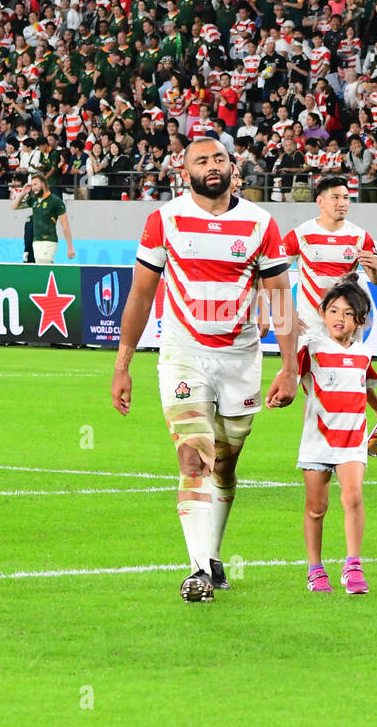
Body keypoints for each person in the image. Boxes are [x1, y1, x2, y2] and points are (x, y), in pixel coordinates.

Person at [110, 139, 298, 604]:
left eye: (219, 159)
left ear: (233, 167)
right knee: (193, 456)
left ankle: (212, 553)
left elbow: (279, 296)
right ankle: (197, 569)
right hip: (183, 352)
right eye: (201, 160)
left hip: (240, 357)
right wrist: (122, 365)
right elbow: (139, 295)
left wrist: (290, 367)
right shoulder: (164, 219)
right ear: (183, 169)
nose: (211, 167)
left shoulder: (260, 223)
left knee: (226, 464)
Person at [298, 280, 377, 596]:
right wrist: (281, 391)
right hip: (317, 440)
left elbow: (365, 385)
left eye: (348, 314)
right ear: (322, 314)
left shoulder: (364, 353)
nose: (339, 318)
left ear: (360, 321)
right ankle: (315, 569)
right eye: (333, 310)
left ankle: (353, 566)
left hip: (352, 440)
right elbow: (291, 373)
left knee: (352, 497)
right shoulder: (311, 348)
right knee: (316, 507)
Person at [282, 174, 377, 334]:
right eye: (335, 197)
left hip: (346, 327)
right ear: (320, 202)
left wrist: (375, 267)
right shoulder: (300, 235)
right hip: (311, 328)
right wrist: (285, 314)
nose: (342, 203)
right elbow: (272, 274)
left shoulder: (360, 236)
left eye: (346, 197)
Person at [10, 171, 75, 265]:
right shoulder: (34, 200)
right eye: (32, 185)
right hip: (36, 242)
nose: (33, 187)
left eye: (35, 184)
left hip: (49, 241)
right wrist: (23, 192)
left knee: (43, 267)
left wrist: (70, 247)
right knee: (44, 269)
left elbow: (65, 225)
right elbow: (14, 207)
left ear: (43, 183)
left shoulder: (55, 201)